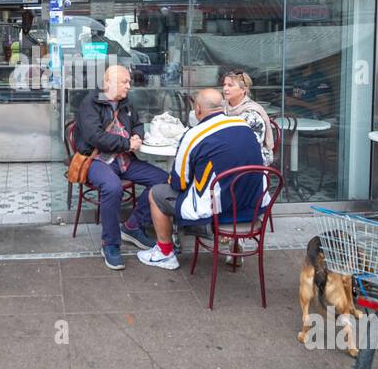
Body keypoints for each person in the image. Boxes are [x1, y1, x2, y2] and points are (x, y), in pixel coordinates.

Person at [138, 88, 266, 270]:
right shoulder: (244, 125)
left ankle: (165, 253)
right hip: (253, 205)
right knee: (228, 184)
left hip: (218, 212)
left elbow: (178, 183)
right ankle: (234, 245)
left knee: (157, 193)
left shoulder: (193, 135)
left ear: (197, 109)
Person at [75, 64, 170, 271]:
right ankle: (110, 244)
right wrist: (127, 144)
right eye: (124, 82)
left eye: (129, 82)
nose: (129, 86)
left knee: (163, 180)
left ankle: (133, 225)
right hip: (97, 160)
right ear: (107, 82)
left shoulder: (125, 103)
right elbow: (95, 137)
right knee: (113, 187)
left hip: (124, 160)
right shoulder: (90, 103)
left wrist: (138, 135)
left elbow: (137, 123)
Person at [221, 69, 275, 166]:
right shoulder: (222, 106)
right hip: (231, 151)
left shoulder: (252, 114)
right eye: (224, 85)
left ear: (243, 89)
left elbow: (249, 145)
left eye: (230, 85)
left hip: (252, 159)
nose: (225, 88)